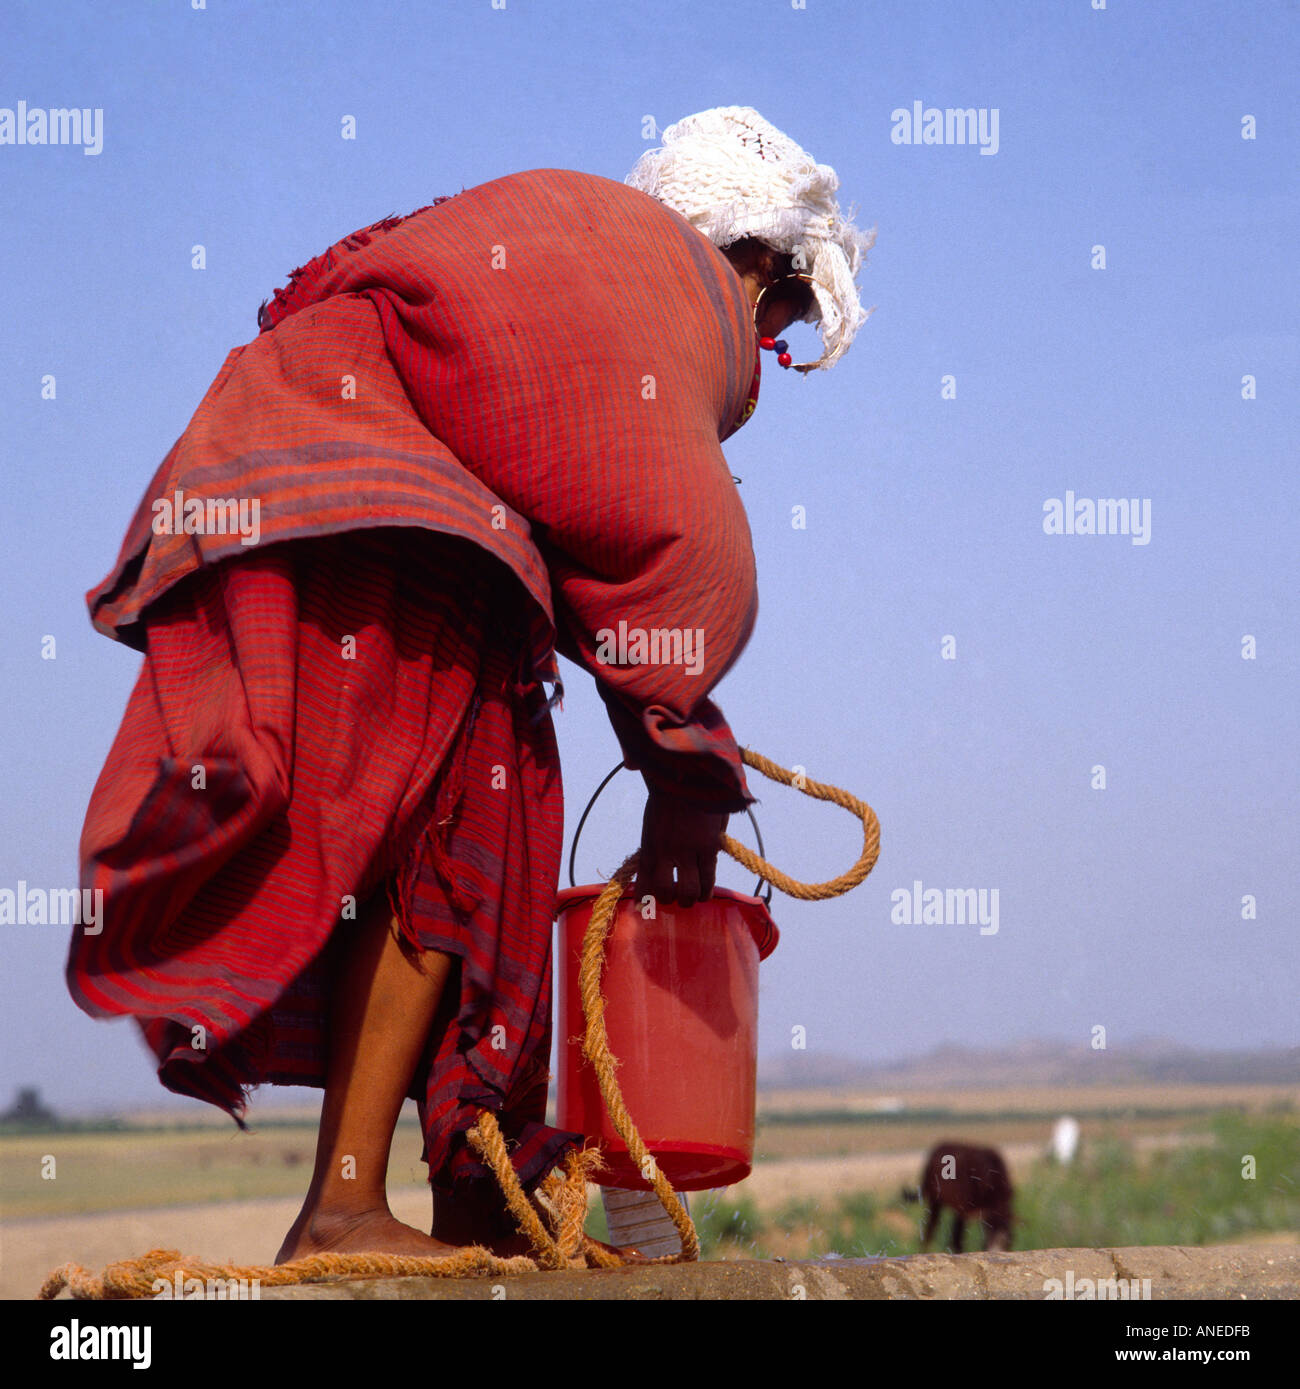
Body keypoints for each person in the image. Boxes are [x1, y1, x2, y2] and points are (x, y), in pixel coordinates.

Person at [68, 106, 874, 1262]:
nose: (772, 349)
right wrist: (689, 784)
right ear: (754, 259)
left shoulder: (568, 243)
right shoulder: (662, 282)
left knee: (474, 816)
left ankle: (466, 1192)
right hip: (368, 500)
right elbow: (678, 556)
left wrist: (671, 758)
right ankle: (344, 1210)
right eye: (786, 320)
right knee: (460, 843)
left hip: (297, 474)